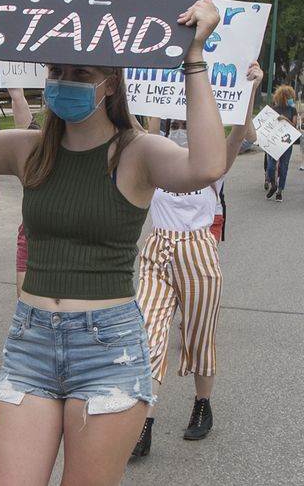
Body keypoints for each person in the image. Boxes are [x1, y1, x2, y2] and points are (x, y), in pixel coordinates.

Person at [0, 0, 227, 486]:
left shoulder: (136, 153)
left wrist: (194, 56)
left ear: (110, 83)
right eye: (56, 71)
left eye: (80, 73)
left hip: (108, 349)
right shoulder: (28, 150)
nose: (64, 81)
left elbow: (207, 165)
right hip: (31, 342)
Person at [131, 62, 263, 457]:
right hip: (157, 251)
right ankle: (143, 423)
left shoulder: (213, 167)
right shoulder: (156, 159)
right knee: (149, 334)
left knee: (199, 335)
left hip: (198, 253)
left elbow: (238, 132)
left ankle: (202, 404)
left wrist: (250, 90)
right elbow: (135, 127)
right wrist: (124, 80)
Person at [7, 87, 40, 296]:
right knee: (25, 304)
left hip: (70, 251)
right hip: (31, 240)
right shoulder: (39, 151)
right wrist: (16, 92)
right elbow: (26, 127)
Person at [265, 84, 297, 202]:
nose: (291, 99)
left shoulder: (292, 110)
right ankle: (273, 185)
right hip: (274, 142)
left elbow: (294, 126)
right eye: (289, 97)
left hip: (286, 143)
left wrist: (286, 119)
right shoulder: (273, 109)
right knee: (271, 166)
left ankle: (279, 191)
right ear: (283, 97)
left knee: (284, 167)